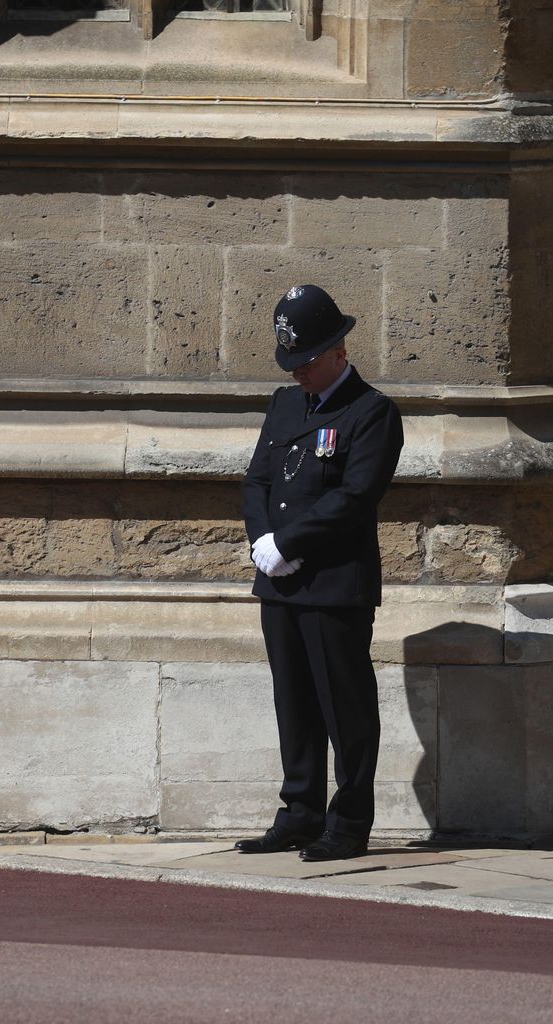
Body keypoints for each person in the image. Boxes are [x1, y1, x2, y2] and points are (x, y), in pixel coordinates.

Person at [236, 284, 404, 862]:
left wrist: (288, 542)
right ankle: (300, 811)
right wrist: (262, 542)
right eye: (292, 363)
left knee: (345, 708)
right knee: (295, 703)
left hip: (334, 584)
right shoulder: (286, 404)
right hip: (281, 580)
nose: (299, 373)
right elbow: (258, 479)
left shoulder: (371, 412)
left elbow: (356, 497)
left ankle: (350, 820)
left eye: (307, 361)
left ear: (339, 350)